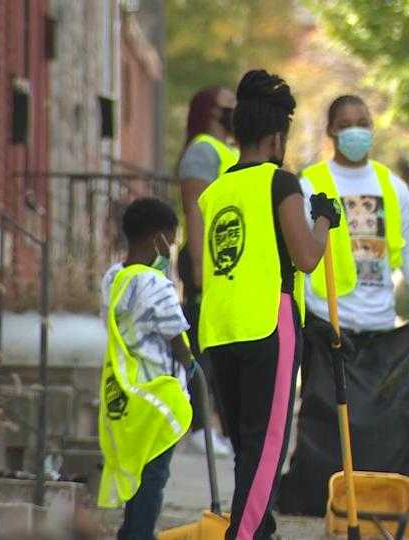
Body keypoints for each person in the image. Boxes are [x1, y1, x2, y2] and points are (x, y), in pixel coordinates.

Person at [197, 69, 340, 540]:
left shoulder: (215, 191)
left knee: (245, 448)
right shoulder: (281, 183)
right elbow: (306, 257)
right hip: (267, 325)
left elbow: (207, 265)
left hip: (219, 328)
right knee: (266, 448)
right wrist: (322, 220)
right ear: (278, 137)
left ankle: (260, 530)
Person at [300, 94, 409, 333]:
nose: (355, 131)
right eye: (345, 126)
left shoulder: (392, 186)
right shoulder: (309, 186)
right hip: (327, 323)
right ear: (330, 130)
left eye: (362, 124)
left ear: (371, 127)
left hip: (380, 323)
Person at [97, 197, 195, 540]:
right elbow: (175, 334)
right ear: (156, 240)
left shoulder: (115, 279)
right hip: (156, 394)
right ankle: (138, 534)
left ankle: (131, 530)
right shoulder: (156, 284)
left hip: (126, 392)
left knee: (134, 469)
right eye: (171, 240)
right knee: (154, 474)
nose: (171, 249)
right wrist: (191, 363)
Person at [177, 86, 240, 456]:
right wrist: (200, 267)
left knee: (223, 347)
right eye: (225, 108)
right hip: (207, 262)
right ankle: (200, 426)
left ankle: (220, 426)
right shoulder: (202, 150)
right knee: (205, 349)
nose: (233, 113)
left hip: (226, 261)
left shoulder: (226, 151)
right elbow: (195, 211)